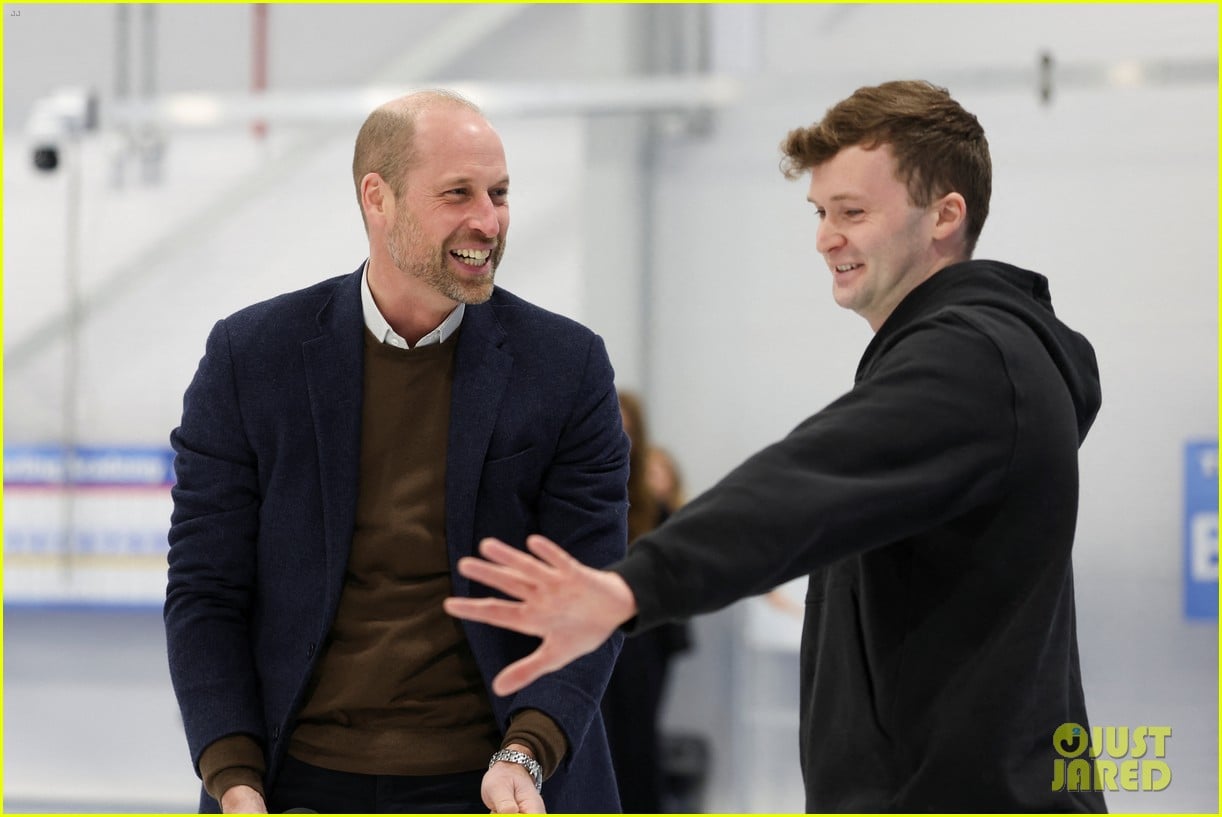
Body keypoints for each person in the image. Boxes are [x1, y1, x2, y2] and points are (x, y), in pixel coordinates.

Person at [445, 80, 1106, 813]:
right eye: (821, 213)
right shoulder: (971, 358)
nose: (827, 237)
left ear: (946, 214)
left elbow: (810, 481)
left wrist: (634, 583)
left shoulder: (976, 361)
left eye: (853, 212)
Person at [164, 89, 630, 814]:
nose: (489, 220)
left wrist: (529, 748)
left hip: (499, 779)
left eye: (500, 193)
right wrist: (233, 776)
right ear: (376, 199)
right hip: (296, 782)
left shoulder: (565, 367)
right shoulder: (252, 358)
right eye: (458, 194)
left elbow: (591, 591)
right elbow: (205, 589)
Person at [600, 391, 691, 813]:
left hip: (641, 644)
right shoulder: (584, 501)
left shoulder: (654, 511)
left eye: (627, 428)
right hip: (592, 636)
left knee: (636, 743)